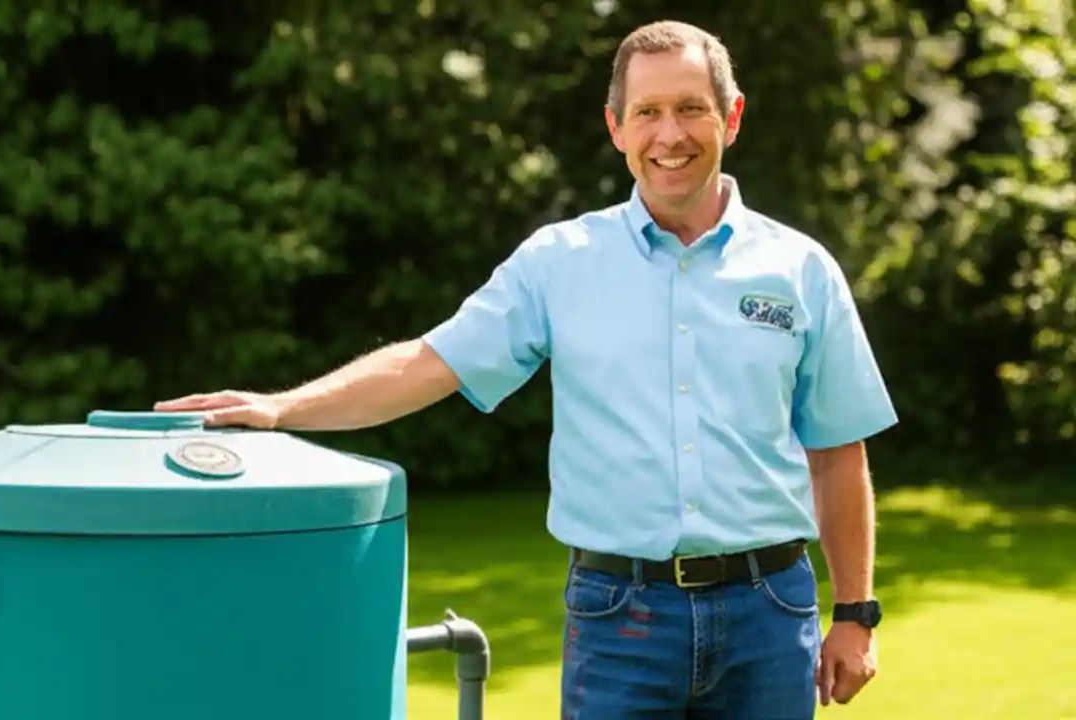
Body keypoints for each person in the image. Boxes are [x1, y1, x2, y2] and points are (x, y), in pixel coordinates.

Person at [156, 19, 896, 719]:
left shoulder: (800, 269)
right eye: (646, 113)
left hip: (770, 615)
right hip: (620, 617)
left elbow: (837, 453)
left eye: (691, 109)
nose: (670, 134)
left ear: (731, 118)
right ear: (616, 129)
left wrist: (856, 614)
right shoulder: (559, 263)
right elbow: (429, 363)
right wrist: (284, 409)